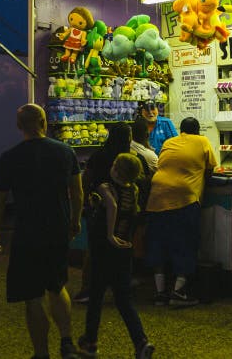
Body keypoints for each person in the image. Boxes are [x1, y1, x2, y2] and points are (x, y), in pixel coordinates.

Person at [0, 104, 83, 359]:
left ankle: (41, 353)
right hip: (58, 227)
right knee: (57, 284)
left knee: (32, 295)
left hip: (28, 230)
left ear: (19, 126)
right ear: (45, 122)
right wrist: (75, 221)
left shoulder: (10, 157)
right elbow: (76, 192)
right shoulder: (65, 152)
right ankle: (67, 343)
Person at [78, 153, 155, 358]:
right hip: (123, 252)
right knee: (124, 300)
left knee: (95, 297)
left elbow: (112, 206)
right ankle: (141, 341)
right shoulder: (134, 190)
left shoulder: (106, 188)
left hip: (104, 250)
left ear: (117, 170)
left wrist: (110, 235)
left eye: (114, 164)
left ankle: (90, 343)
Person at [144, 117, 217, 307]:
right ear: (198, 130)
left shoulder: (169, 142)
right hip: (184, 198)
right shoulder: (202, 141)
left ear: (181, 130)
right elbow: (210, 169)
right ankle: (178, 292)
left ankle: (160, 293)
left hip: (157, 196)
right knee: (185, 243)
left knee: (157, 243)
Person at [73, 122, 133, 304]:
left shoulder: (99, 155)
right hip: (123, 209)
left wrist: (82, 202)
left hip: (98, 207)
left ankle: (88, 288)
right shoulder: (129, 157)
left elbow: (86, 178)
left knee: (95, 249)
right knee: (121, 246)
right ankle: (120, 286)